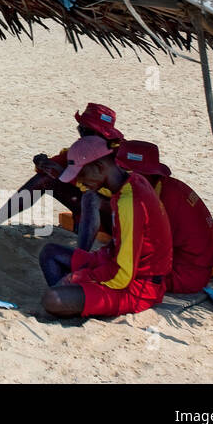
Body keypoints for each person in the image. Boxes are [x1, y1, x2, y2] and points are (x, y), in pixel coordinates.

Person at [38, 136, 172, 318]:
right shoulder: (129, 182)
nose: (79, 183)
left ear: (100, 168)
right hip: (112, 260)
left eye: (81, 175)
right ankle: (78, 301)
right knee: (50, 253)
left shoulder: (129, 203)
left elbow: (123, 276)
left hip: (139, 287)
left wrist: (78, 278)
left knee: (52, 299)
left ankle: (77, 303)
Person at [0, 103, 124, 250]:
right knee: (45, 180)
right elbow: (57, 167)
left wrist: (68, 177)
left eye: (84, 130)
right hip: (91, 209)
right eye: (81, 128)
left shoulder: (122, 157)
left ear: (98, 134)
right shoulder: (83, 148)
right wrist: (44, 164)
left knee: (91, 199)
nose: (80, 132)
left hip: (117, 217)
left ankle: (83, 253)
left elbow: (118, 199)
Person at [115, 140, 213, 294]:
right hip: (195, 266)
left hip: (186, 275)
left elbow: (148, 250)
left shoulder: (163, 199)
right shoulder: (167, 187)